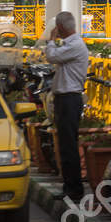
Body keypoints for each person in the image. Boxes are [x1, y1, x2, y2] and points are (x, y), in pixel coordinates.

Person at [39, 11, 90, 203]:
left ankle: (75, 189)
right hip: (64, 98)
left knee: (69, 146)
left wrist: (51, 39)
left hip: (70, 99)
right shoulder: (70, 44)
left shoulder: (76, 45)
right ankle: (69, 186)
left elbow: (51, 56)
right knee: (64, 145)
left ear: (60, 28)